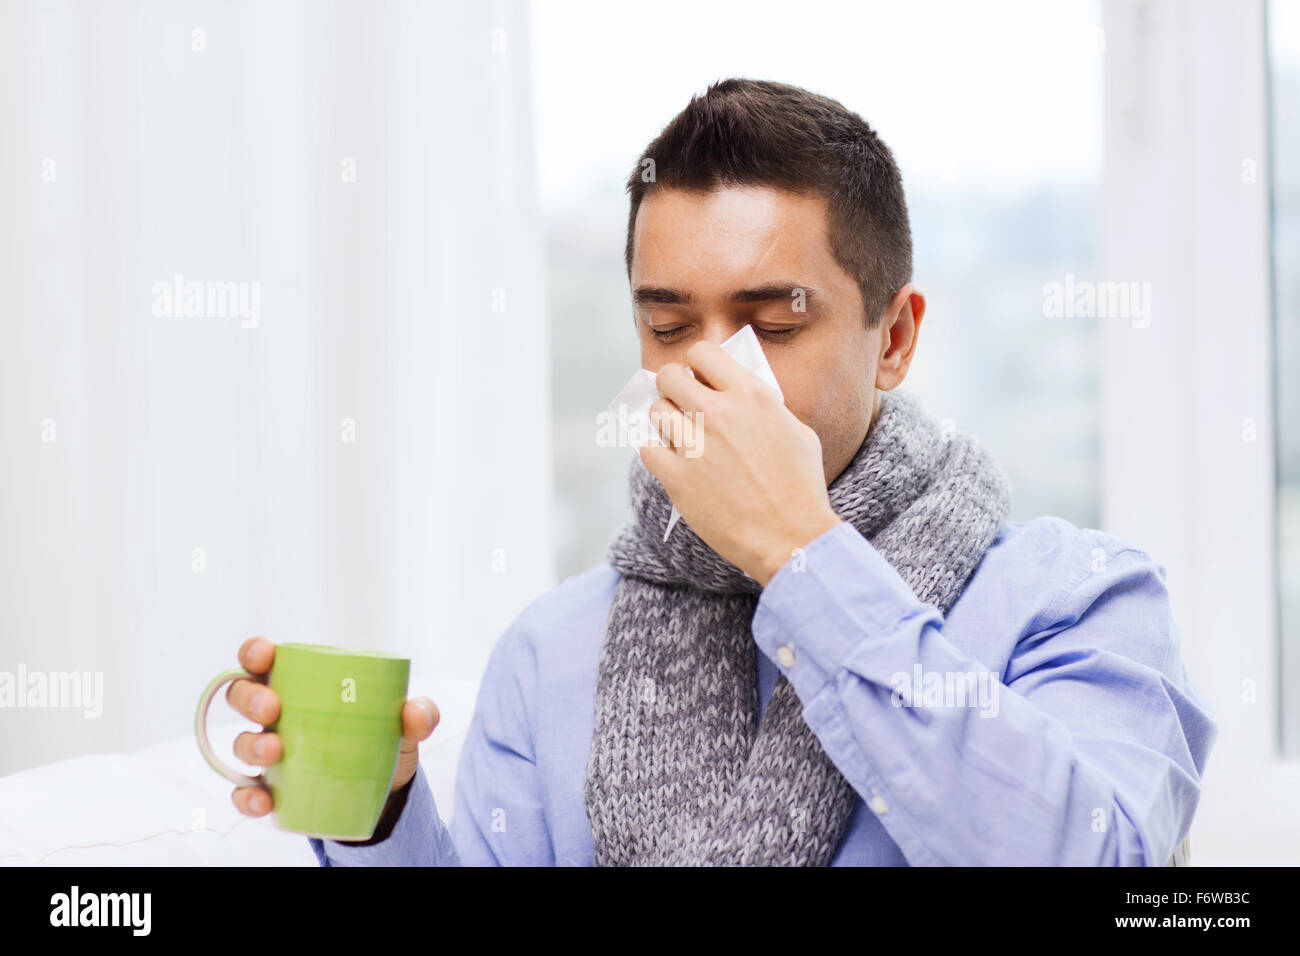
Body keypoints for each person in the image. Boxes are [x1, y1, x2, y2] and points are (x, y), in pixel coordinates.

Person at [225, 78, 1218, 866]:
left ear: (894, 339)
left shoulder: (1075, 599)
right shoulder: (554, 649)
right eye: (667, 326)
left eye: (775, 323)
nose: (711, 371)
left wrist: (800, 552)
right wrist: (378, 817)